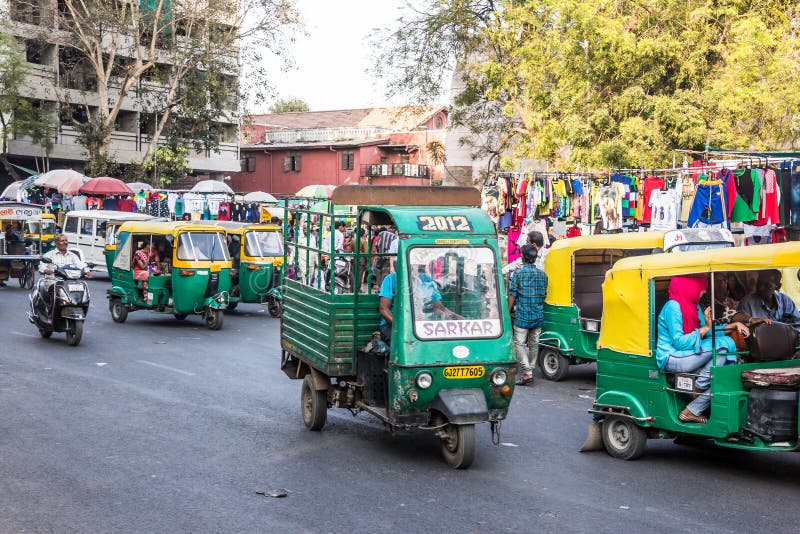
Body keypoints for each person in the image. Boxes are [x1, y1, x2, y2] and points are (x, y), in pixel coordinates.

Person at [656, 274, 745, 424]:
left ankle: (691, 411)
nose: (703, 292)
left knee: (721, 378)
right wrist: (705, 328)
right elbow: (679, 342)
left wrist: (733, 326)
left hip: (688, 354)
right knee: (723, 344)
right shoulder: (673, 307)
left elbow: (708, 331)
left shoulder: (692, 305)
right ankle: (699, 387)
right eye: (700, 288)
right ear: (690, 287)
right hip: (672, 356)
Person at [378, 268, 460, 345]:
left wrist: (458, 318)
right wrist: (403, 326)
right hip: (393, 325)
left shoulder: (427, 280)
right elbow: (383, 309)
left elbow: (439, 307)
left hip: (422, 325)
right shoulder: (391, 279)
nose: (415, 266)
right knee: (408, 344)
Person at [507, 244, 548, 386]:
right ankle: (529, 369)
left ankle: (528, 372)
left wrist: (508, 310)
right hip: (537, 314)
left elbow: (512, 295)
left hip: (523, 315)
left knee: (518, 343)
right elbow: (544, 295)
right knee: (534, 344)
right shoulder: (543, 275)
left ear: (523, 257)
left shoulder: (518, 274)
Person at [37, 234, 92, 306]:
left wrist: (87, 271)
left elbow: (81, 265)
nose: (65, 242)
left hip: (70, 282)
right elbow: (42, 266)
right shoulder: (49, 255)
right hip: (53, 281)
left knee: (81, 292)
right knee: (54, 295)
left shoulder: (72, 255)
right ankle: (51, 315)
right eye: (62, 241)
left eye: (66, 241)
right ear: (56, 243)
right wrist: (46, 270)